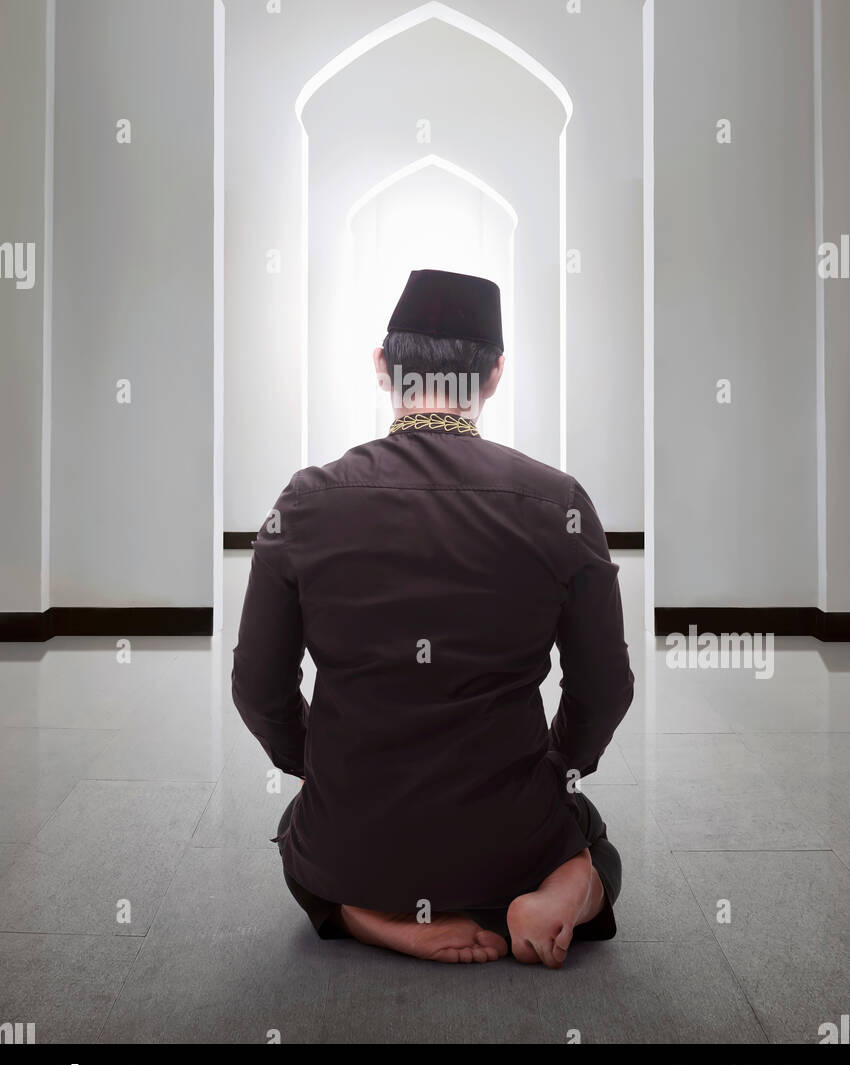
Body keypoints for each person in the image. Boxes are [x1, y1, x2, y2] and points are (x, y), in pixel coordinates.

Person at [232, 268, 634, 967]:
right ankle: (560, 889)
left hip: (355, 842)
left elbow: (258, 686)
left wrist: (314, 764)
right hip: (510, 840)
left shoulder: (304, 502)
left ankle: (365, 916)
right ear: (496, 374)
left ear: (383, 366)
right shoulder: (558, 502)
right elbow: (605, 687)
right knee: (594, 842)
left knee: (298, 836)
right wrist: (559, 765)